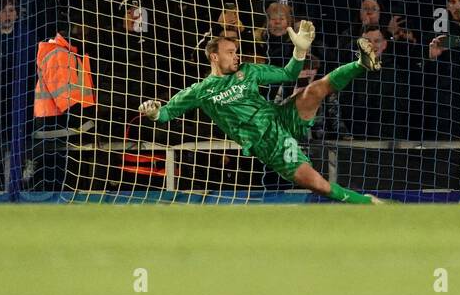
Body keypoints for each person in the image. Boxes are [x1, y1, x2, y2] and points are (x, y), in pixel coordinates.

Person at [138, 26, 385, 203]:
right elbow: (167, 113)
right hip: (268, 143)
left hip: (279, 116)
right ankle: (368, 203)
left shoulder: (249, 71)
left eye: (236, 51)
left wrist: (299, 52)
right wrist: (153, 112)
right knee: (318, 184)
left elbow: (289, 74)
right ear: (214, 56)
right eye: (230, 52)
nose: (236, 55)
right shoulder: (201, 91)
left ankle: (361, 64)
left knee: (314, 89)